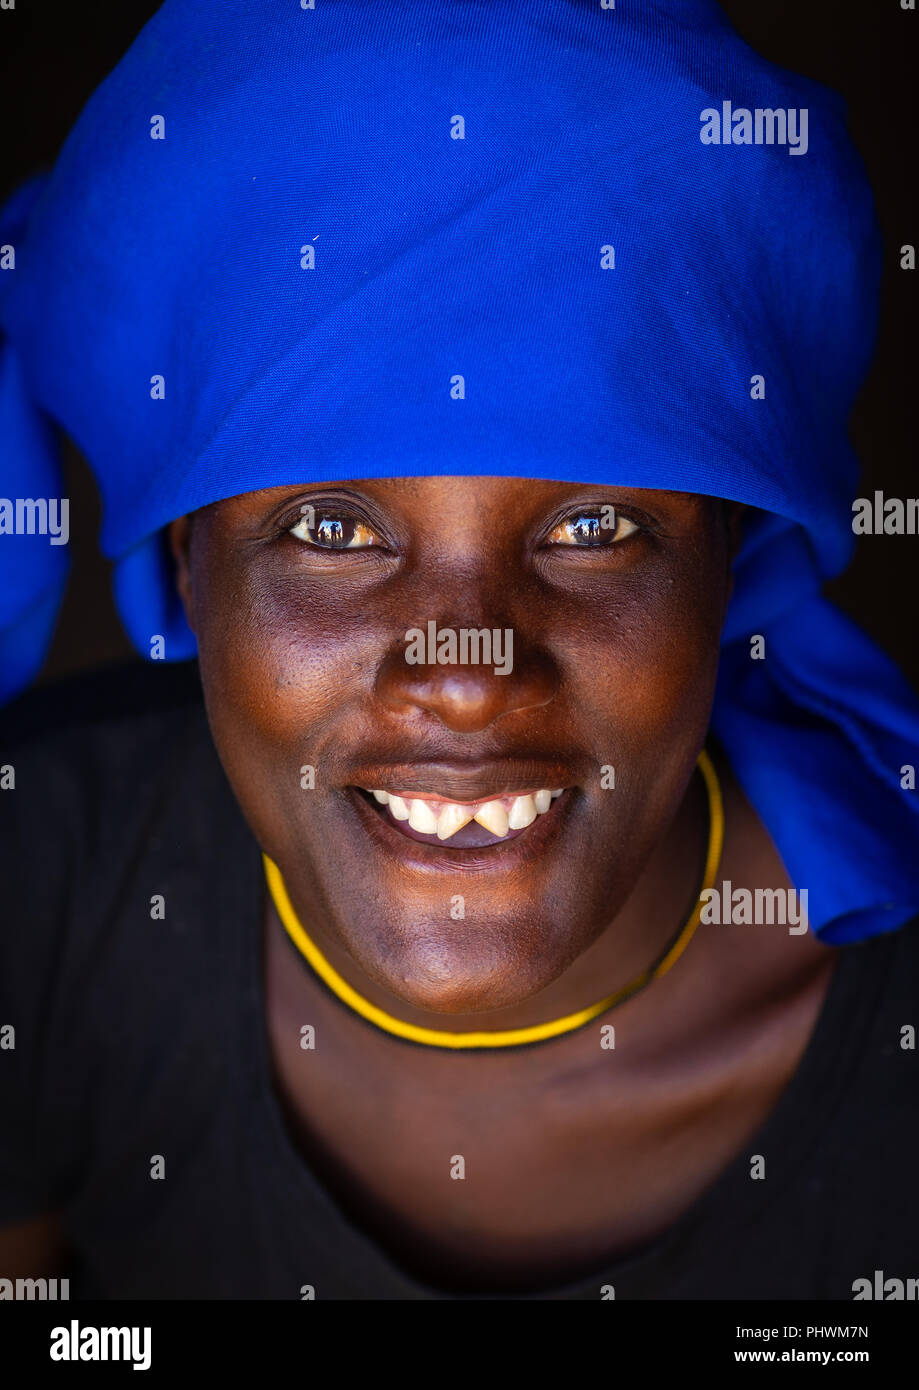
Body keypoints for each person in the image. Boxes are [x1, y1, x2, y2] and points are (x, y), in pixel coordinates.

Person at [0, 0, 917, 1301]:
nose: (469, 661)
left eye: (593, 525)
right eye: (333, 525)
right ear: (186, 572)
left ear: (733, 562)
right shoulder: (41, 899)